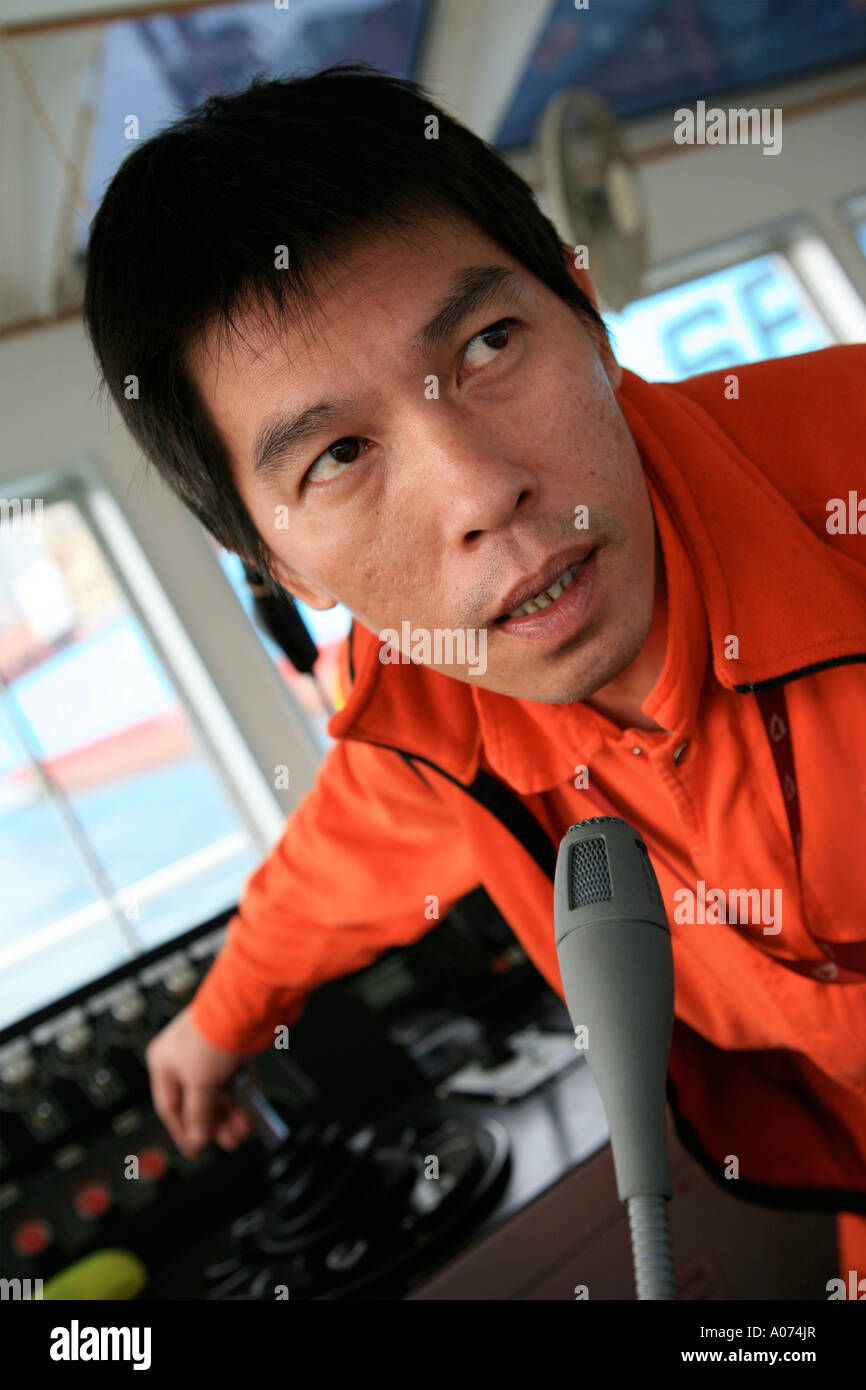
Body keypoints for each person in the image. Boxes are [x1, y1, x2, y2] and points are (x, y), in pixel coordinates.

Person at [83, 63, 866, 1288]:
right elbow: (321, 885)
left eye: (489, 343)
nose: (477, 491)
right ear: (272, 560)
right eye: (338, 454)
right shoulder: (426, 727)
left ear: (580, 302)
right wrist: (205, 1032)